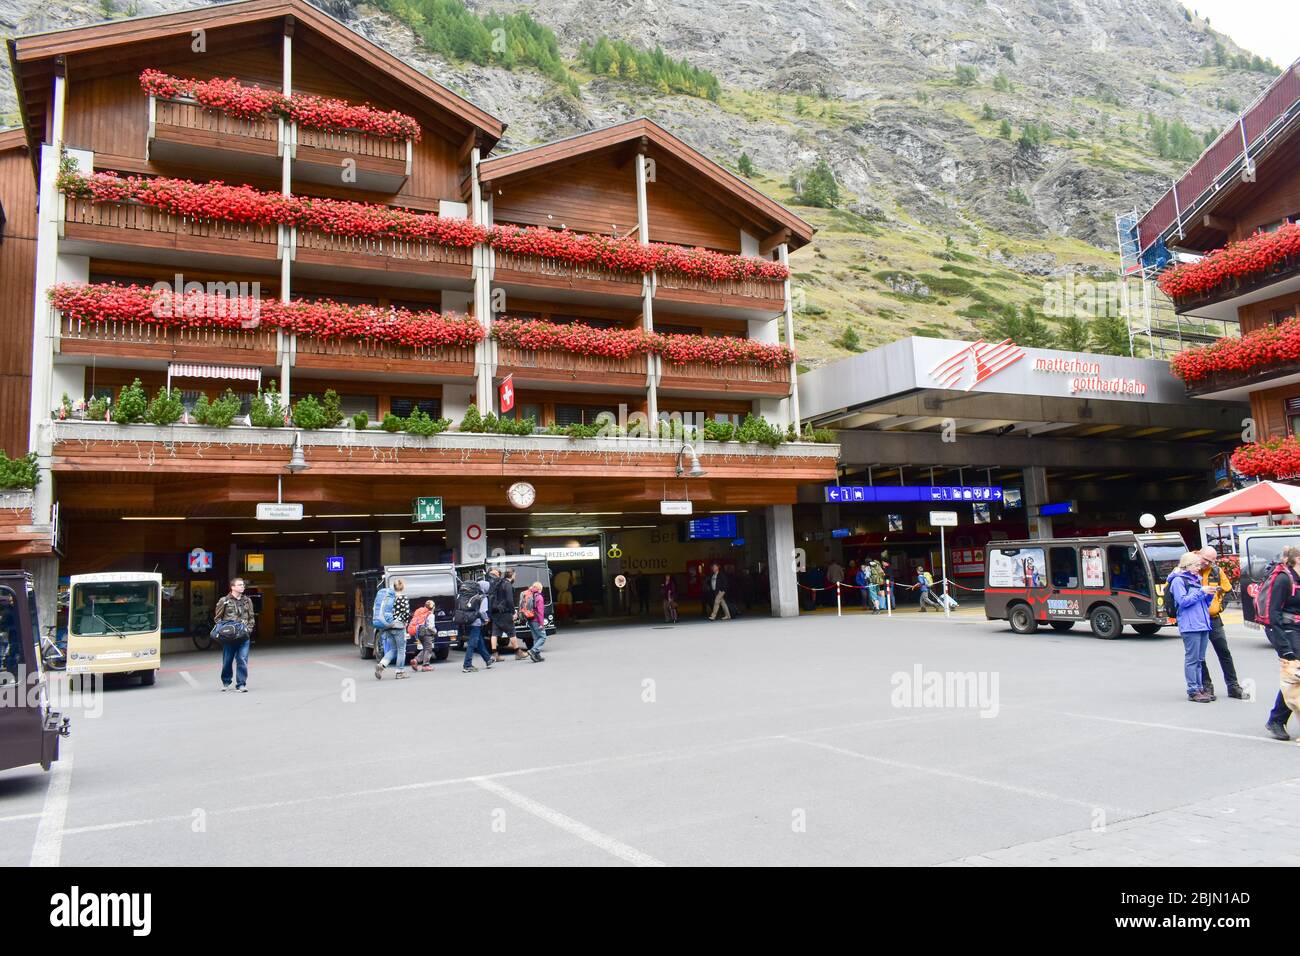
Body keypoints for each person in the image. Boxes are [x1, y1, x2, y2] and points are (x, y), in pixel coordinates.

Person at [1197, 547, 1244, 699]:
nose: (1208, 563)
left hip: (1214, 618)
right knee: (1199, 656)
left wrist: (1220, 606)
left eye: (1211, 561)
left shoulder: (1216, 571)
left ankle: (1233, 686)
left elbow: (1228, 590)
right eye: (1207, 560)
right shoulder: (1189, 569)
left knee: (1224, 653)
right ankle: (1206, 686)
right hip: (1197, 619)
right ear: (1199, 554)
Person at [1263, 545, 1300, 739]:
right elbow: (1273, 615)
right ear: (1297, 560)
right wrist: (1284, 647)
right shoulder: (1284, 579)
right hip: (1287, 631)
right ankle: (1276, 720)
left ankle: (1276, 719)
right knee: (1295, 676)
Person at [1168, 552, 1214, 702]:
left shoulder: (1197, 580)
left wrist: (1209, 594)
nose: (1198, 568)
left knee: (1200, 659)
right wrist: (1201, 592)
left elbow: (1204, 604)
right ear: (1187, 566)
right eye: (1196, 565)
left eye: (1199, 565)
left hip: (1202, 624)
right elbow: (1182, 601)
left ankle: (1199, 688)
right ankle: (1193, 690)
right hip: (1190, 625)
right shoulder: (1178, 581)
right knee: (1192, 659)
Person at [212, 577, 254, 692]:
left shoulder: (247, 601)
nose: (242, 586)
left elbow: (251, 617)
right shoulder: (224, 600)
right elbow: (217, 618)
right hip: (229, 637)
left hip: (244, 636)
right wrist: (225, 630)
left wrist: (248, 630)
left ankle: (241, 684)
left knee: (242, 659)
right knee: (227, 660)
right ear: (233, 587)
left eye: (243, 585)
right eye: (240, 585)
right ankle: (226, 681)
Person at [373, 577, 408, 680]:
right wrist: (404, 622)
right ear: (403, 587)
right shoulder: (403, 598)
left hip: (387, 626)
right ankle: (400, 672)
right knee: (401, 649)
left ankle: (382, 665)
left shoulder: (389, 596)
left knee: (393, 649)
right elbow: (405, 613)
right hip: (398, 627)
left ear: (394, 587)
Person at [489, 568, 522, 661]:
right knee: (512, 632)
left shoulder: (498, 583)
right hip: (505, 613)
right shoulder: (507, 585)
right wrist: (513, 612)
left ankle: (495, 654)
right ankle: (518, 652)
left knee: (494, 633)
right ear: (512, 575)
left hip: (495, 612)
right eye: (515, 575)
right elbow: (509, 600)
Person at [462, 580, 494, 673]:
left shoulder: (471, 595)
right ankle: (467, 665)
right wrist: (486, 619)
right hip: (476, 622)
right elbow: (482, 611)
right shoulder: (483, 597)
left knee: (479, 641)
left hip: (468, 620)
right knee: (472, 643)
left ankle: (488, 659)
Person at [521, 581, 547, 662]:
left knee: (536, 637)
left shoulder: (528, 594)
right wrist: (541, 624)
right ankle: (533, 651)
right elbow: (540, 611)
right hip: (536, 619)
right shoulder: (538, 596)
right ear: (539, 588)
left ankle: (536, 656)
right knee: (543, 637)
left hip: (529, 619)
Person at [409, 599, 436, 673]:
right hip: (426, 633)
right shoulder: (431, 615)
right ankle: (425, 665)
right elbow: (430, 627)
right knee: (429, 649)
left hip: (419, 633)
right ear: (433, 607)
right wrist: (435, 631)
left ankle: (416, 660)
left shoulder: (421, 613)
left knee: (425, 648)